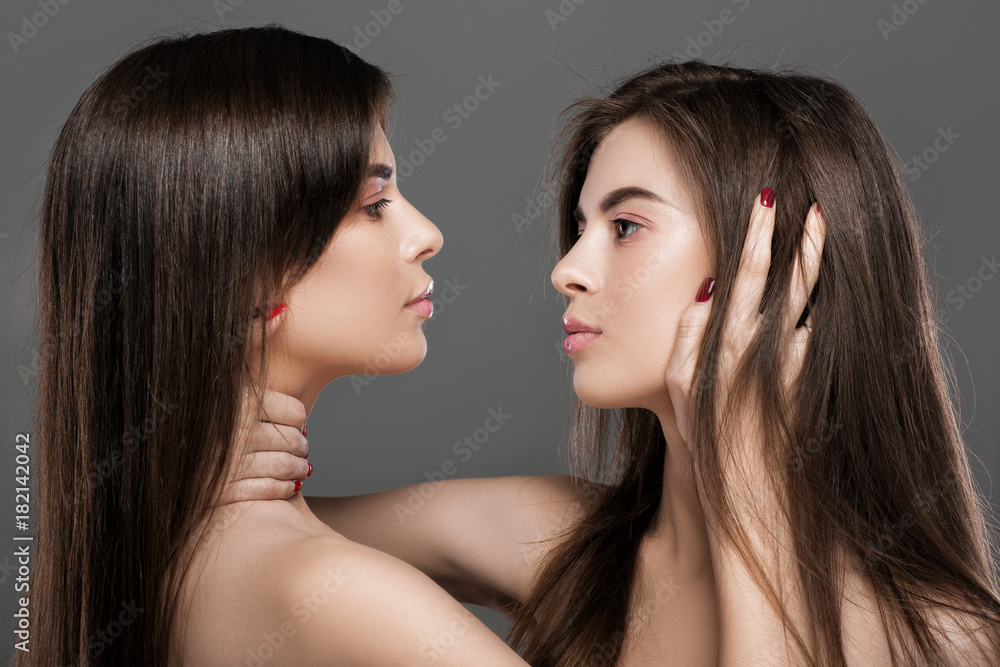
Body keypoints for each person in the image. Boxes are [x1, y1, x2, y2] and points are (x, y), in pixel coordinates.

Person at [234, 61, 1000, 665]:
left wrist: (750, 495)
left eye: (626, 225)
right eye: (580, 226)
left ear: (770, 268)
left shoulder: (950, 637)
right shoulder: (559, 539)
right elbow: (262, 542)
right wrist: (224, 451)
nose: (568, 268)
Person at [25, 24, 531, 666]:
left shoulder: (130, 568)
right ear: (246, 276)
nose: (427, 233)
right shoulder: (340, 595)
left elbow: (544, 529)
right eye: (375, 204)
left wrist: (178, 463)